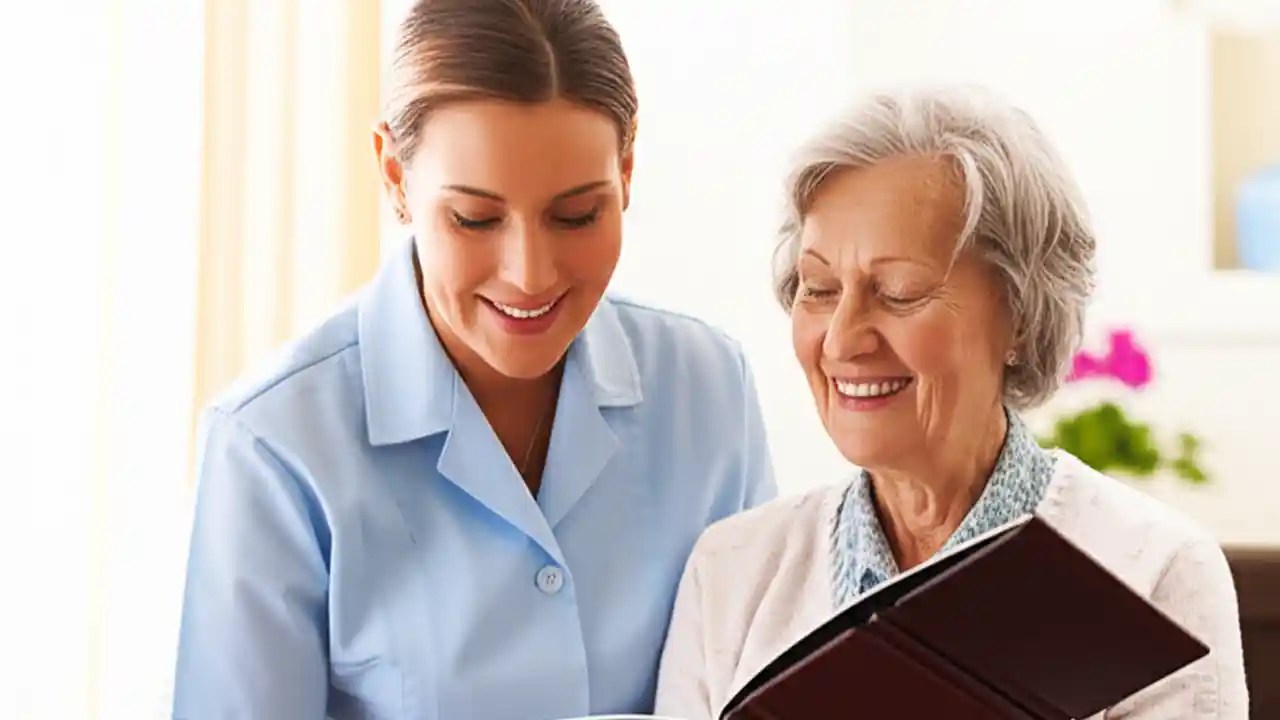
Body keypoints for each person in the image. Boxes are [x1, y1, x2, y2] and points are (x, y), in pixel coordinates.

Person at [172, 1, 777, 717]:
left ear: (628, 169)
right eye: (475, 219)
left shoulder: (709, 392)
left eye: (577, 214)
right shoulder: (273, 447)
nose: (529, 273)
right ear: (395, 176)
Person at [654, 85, 1249, 719]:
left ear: (1019, 315)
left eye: (901, 292)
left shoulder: (1153, 573)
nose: (842, 339)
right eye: (819, 288)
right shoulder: (731, 572)